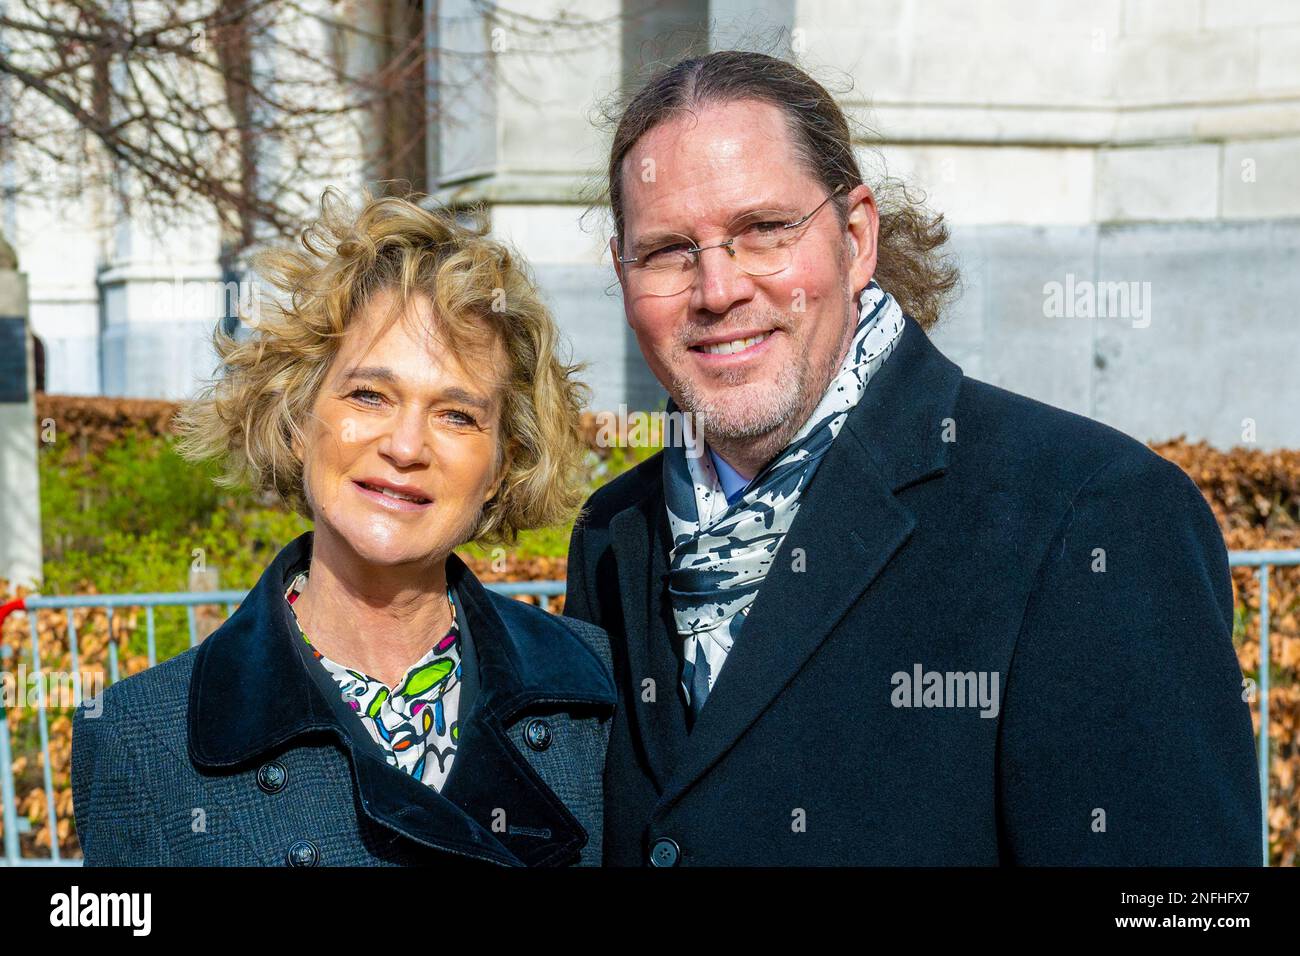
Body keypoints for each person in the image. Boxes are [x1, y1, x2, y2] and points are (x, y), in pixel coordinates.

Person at [564, 51, 1262, 866]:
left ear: (856, 238)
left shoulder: (1088, 513)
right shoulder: (615, 535)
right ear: (622, 276)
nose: (717, 289)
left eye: (762, 232)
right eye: (670, 251)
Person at [71, 190, 614, 866]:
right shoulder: (144, 735)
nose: (407, 446)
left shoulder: (591, 691)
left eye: (457, 414)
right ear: (298, 421)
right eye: (369, 395)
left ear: (504, 465)